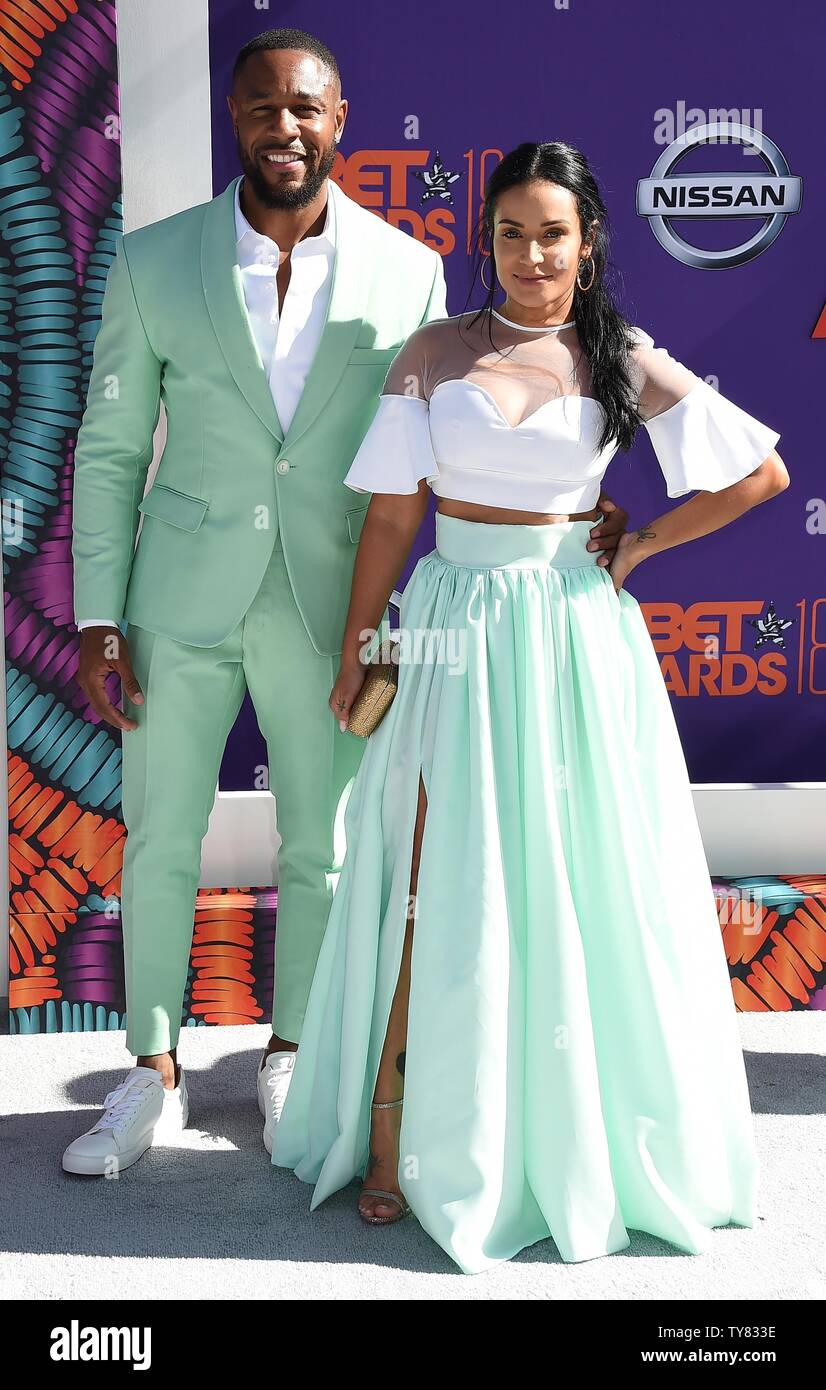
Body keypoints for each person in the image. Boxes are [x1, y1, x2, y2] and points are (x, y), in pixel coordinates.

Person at [61, 28, 628, 1177]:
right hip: (177, 598)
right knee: (162, 834)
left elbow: (462, 432)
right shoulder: (152, 259)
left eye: (306, 109)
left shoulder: (405, 269)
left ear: (340, 119)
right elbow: (112, 449)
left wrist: (578, 516)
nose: (286, 127)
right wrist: (96, 612)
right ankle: (150, 1070)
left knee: (323, 844)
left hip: (338, 605)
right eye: (264, 107)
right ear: (236, 116)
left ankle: (295, 1051)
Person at [270, 139, 788, 1275]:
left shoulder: (620, 359)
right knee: (433, 874)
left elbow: (760, 475)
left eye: (551, 232)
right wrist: (364, 642)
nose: (530, 252)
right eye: (509, 231)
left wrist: (643, 536)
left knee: (576, 872)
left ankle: (572, 1140)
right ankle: (402, 1142)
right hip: (451, 628)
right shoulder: (433, 353)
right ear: (487, 239)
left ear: (587, 244)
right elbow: (394, 521)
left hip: (569, 638)